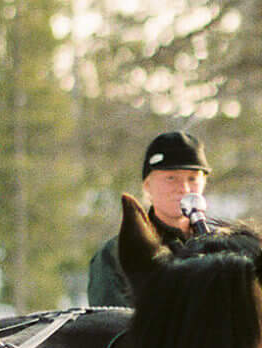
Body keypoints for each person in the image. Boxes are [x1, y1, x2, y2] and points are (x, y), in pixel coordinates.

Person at [86, 129, 214, 307]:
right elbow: (109, 325)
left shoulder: (224, 246)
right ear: (147, 185)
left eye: (192, 178)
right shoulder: (118, 253)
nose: (184, 188)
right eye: (171, 178)